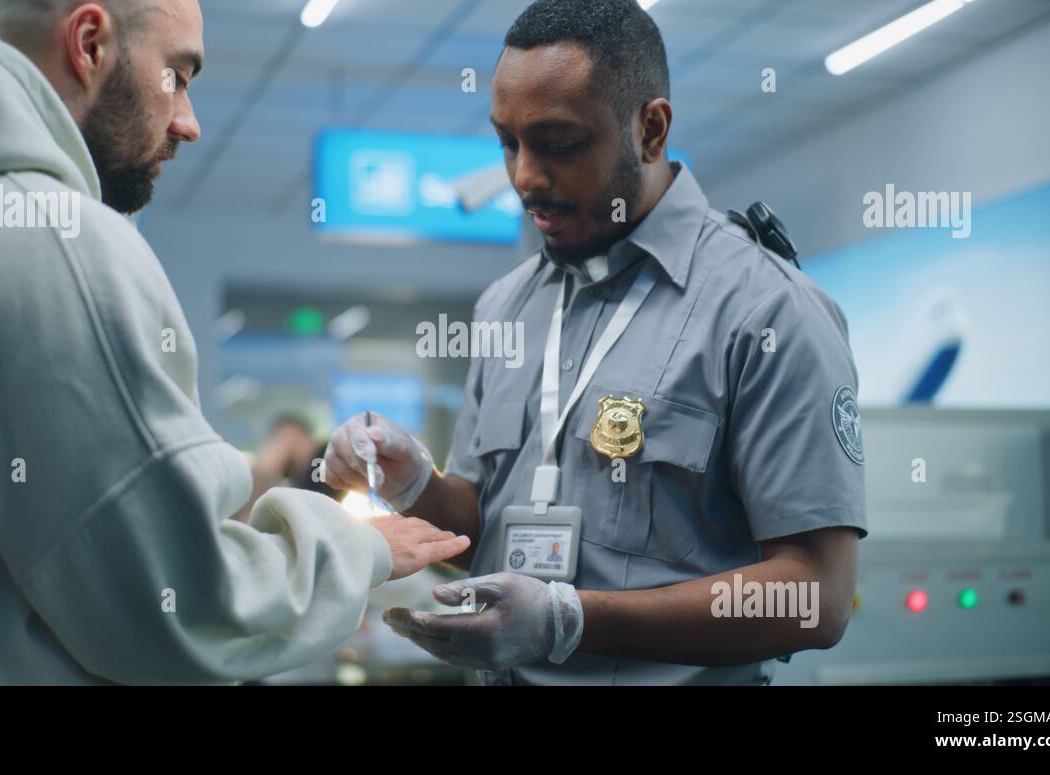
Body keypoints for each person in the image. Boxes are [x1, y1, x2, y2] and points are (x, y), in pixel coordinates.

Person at [0, 1, 467, 685]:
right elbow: (181, 601)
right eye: (178, 76)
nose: (188, 122)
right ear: (90, 42)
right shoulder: (54, 239)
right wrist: (356, 549)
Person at [325, 0, 866, 685]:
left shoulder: (767, 311)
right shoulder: (507, 303)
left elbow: (815, 596)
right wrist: (415, 484)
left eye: (559, 142)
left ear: (651, 128)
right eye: (507, 142)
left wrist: (572, 618)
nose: (524, 176)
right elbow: (482, 530)